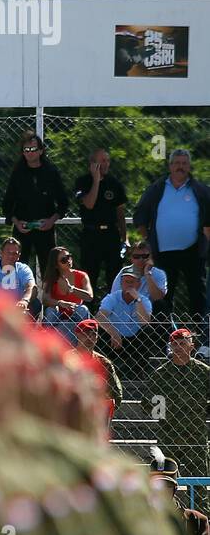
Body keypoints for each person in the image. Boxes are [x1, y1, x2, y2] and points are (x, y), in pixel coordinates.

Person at [133, 149, 210, 327]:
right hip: (162, 252)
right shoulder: (156, 188)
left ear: (189, 166)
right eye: (176, 163)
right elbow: (140, 215)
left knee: (198, 295)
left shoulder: (200, 190)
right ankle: (165, 339)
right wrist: (148, 242)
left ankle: (200, 340)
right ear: (170, 166)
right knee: (163, 297)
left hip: (193, 252)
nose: (180, 167)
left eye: (184, 163)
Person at [2, 131, 69, 282]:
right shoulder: (18, 172)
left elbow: (63, 202)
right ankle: (16, 302)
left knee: (50, 268)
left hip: (45, 228)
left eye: (33, 149)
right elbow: (7, 203)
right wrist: (17, 222)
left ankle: (50, 303)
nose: (30, 153)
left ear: (41, 150)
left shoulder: (51, 172)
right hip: (22, 228)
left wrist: (51, 220)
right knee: (16, 267)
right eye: (26, 150)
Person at [148, 329, 210, 480]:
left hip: (196, 435)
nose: (178, 347)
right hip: (168, 435)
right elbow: (149, 403)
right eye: (174, 344)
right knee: (164, 481)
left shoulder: (203, 372)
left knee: (199, 481)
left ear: (191, 346)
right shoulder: (161, 374)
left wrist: (201, 411)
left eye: (182, 343)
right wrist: (166, 414)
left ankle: (198, 505)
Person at [73, 148, 128, 295]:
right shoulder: (83, 182)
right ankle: (88, 314)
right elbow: (89, 204)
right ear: (93, 163)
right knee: (89, 276)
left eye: (107, 160)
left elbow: (120, 213)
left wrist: (125, 238)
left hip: (111, 234)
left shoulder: (115, 184)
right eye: (102, 160)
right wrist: (96, 180)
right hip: (91, 234)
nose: (106, 164)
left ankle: (113, 313)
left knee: (114, 277)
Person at [96, 267, 154, 382]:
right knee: (100, 331)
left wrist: (137, 300)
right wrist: (113, 333)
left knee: (148, 331)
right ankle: (103, 372)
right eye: (126, 281)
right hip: (114, 339)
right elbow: (100, 317)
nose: (129, 284)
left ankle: (138, 373)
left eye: (132, 282)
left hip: (135, 340)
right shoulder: (112, 298)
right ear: (121, 283)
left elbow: (145, 322)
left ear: (139, 284)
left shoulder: (144, 300)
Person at [41, 246, 93, 345]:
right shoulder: (51, 278)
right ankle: (45, 344)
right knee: (51, 311)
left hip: (75, 309)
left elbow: (89, 296)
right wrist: (60, 303)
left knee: (83, 309)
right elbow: (45, 299)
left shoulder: (82, 276)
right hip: (58, 310)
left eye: (69, 257)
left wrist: (71, 289)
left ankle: (85, 345)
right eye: (64, 260)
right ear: (56, 265)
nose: (68, 261)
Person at [0, 236, 35, 312]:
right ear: (1, 253)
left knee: (36, 303)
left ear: (19, 256)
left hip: (19, 306)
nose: (11, 256)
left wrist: (25, 300)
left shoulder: (23, 269)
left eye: (15, 253)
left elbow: (31, 286)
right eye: (8, 253)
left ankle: (29, 323)